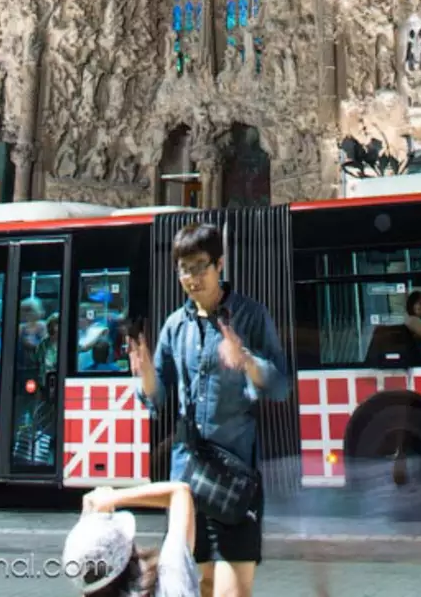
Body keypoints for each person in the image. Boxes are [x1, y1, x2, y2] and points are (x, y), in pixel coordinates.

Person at [130, 222, 288, 597]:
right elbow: (156, 396)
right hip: (188, 478)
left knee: (233, 592)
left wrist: (246, 359)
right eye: (183, 268)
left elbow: (280, 386)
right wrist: (149, 375)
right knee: (190, 586)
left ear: (220, 264)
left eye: (200, 265)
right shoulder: (174, 326)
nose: (191, 277)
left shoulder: (250, 316)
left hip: (236, 479)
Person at [64, 481, 198, 596]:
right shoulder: (170, 581)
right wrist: (112, 497)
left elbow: (91, 580)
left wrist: (88, 524)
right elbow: (179, 493)